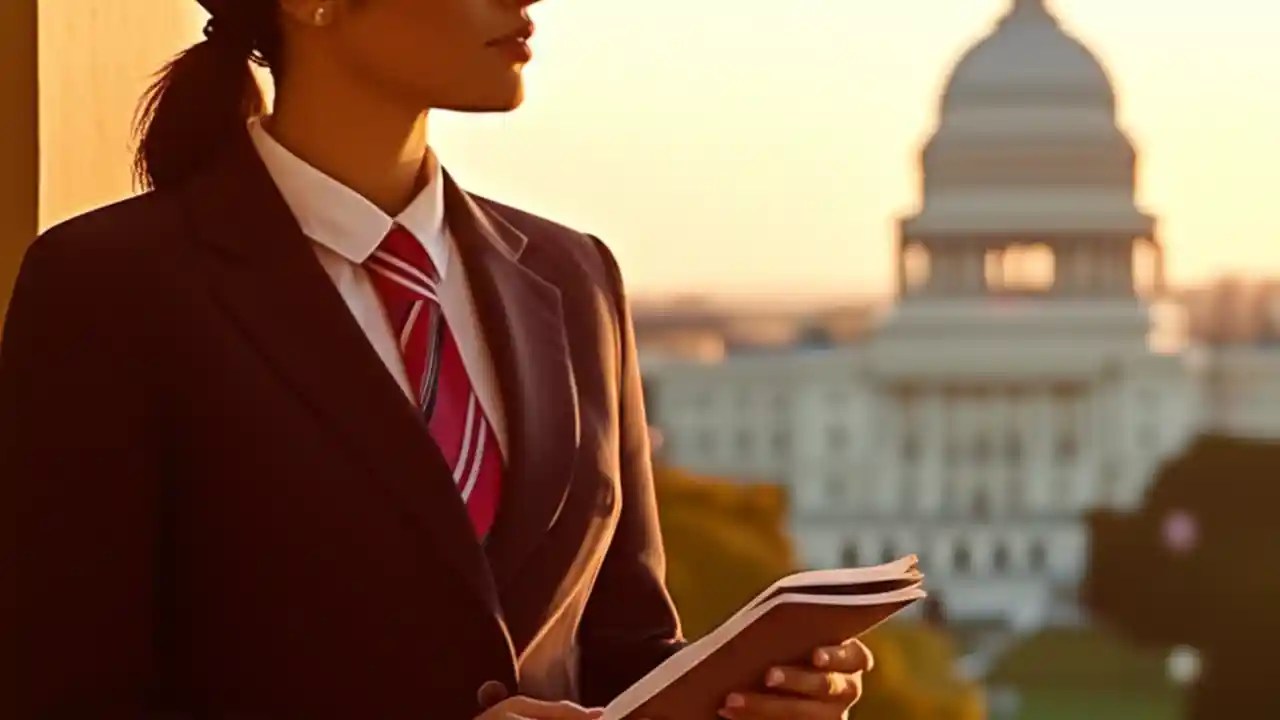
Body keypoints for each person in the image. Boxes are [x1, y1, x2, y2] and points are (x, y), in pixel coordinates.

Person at [0, 1, 873, 718]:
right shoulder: (111, 287)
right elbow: (65, 692)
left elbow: (620, 652)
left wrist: (741, 700)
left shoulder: (575, 278)